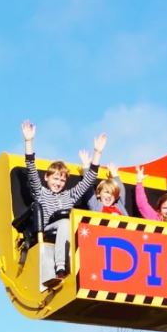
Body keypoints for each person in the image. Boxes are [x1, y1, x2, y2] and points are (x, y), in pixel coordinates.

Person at [21, 121, 106, 288]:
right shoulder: (41, 192)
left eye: (62, 180)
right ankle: (60, 268)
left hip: (65, 230)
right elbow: (31, 168)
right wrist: (28, 142)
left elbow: (89, 180)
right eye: (55, 178)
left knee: (77, 226)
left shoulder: (69, 195)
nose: (58, 183)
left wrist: (97, 153)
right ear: (46, 178)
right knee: (66, 223)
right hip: (46, 228)